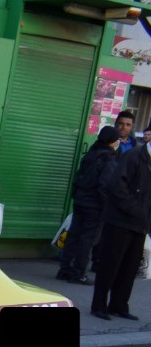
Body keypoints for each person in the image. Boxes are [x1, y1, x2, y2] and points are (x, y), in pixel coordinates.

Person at [90, 135, 151, 321]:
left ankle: (119, 305)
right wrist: (136, 209)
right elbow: (117, 186)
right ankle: (99, 305)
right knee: (110, 264)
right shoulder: (134, 155)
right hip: (120, 220)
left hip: (140, 224)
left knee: (130, 268)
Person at [57, 126, 121, 284]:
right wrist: (107, 207)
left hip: (80, 200)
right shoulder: (109, 159)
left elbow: (78, 177)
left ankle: (64, 269)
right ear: (112, 141)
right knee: (88, 239)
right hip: (95, 205)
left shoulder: (91, 154)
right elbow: (104, 185)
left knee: (74, 235)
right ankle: (78, 272)